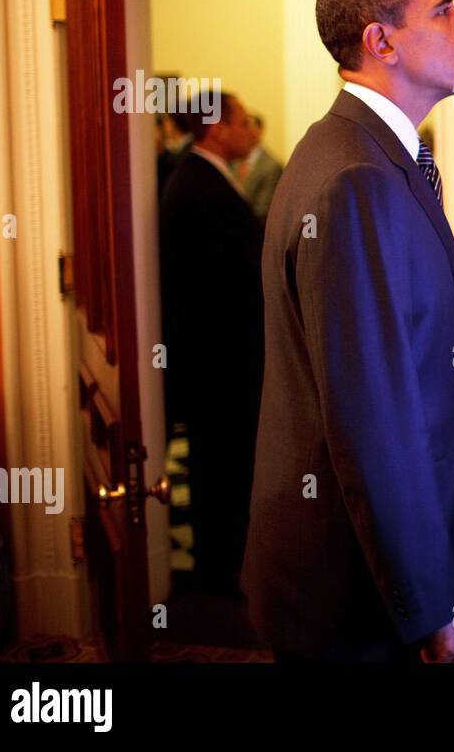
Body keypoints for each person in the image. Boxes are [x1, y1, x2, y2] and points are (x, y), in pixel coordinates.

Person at [242, 0, 454, 663]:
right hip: (349, 589)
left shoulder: (368, 155)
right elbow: (372, 419)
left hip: (358, 569)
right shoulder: (353, 178)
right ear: (381, 42)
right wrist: (434, 611)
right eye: (442, 10)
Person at [159, 90, 263, 594]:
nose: (250, 130)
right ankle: (219, 571)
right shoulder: (199, 186)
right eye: (242, 121)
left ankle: (224, 560)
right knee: (220, 465)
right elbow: (231, 279)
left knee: (224, 462)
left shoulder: (205, 178)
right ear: (216, 129)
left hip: (219, 358)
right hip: (217, 362)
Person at [234, 112, 284, 220]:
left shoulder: (271, 167)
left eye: (246, 125)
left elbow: (262, 210)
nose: (242, 131)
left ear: (259, 131)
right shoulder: (233, 161)